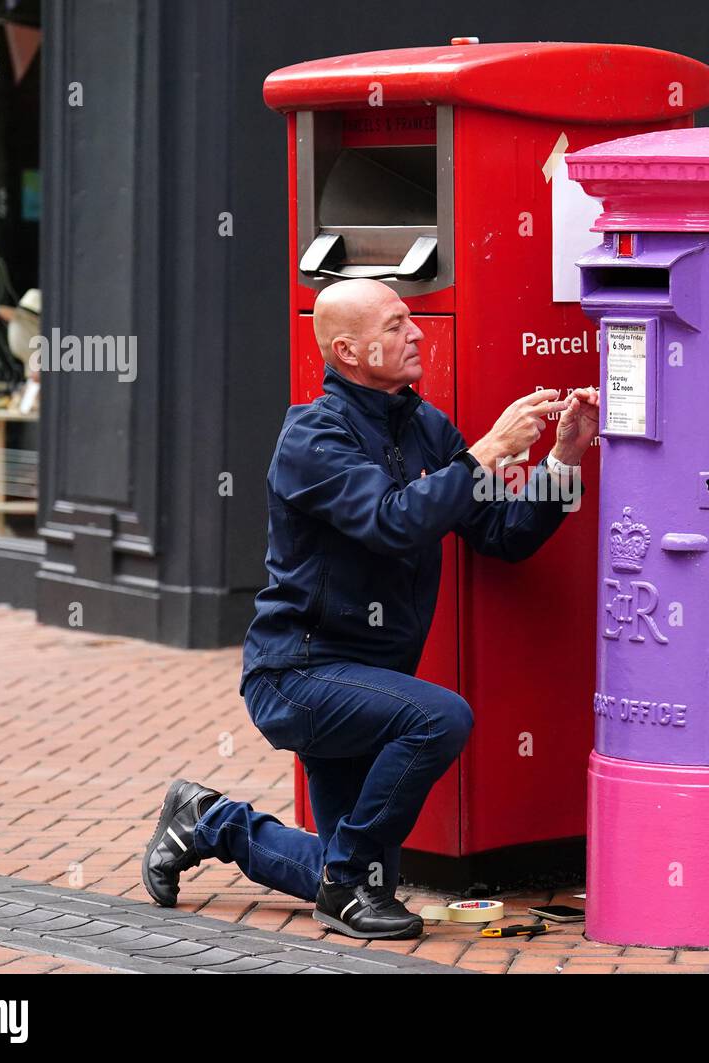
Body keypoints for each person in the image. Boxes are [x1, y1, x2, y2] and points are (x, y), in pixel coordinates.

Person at [141, 278, 599, 940]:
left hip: (369, 682)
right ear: (350, 351)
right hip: (296, 674)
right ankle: (343, 877)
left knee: (354, 875)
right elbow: (392, 521)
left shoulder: (425, 427)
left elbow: (502, 534)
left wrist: (564, 455)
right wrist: (490, 451)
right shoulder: (311, 439)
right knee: (442, 718)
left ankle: (205, 818)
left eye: (411, 319)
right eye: (395, 325)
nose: (416, 333)